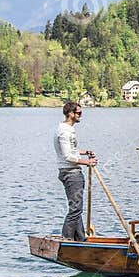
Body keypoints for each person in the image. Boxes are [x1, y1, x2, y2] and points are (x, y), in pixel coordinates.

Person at [53, 101, 97, 241]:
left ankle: (80, 239)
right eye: (78, 113)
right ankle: (66, 239)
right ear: (70, 114)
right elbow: (68, 156)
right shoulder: (64, 132)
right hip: (70, 173)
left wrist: (85, 152)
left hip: (71, 171)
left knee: (76, 207)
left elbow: (71, 151)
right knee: (76, 208)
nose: (80, 116)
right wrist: (87, 162)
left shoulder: (67, 130)